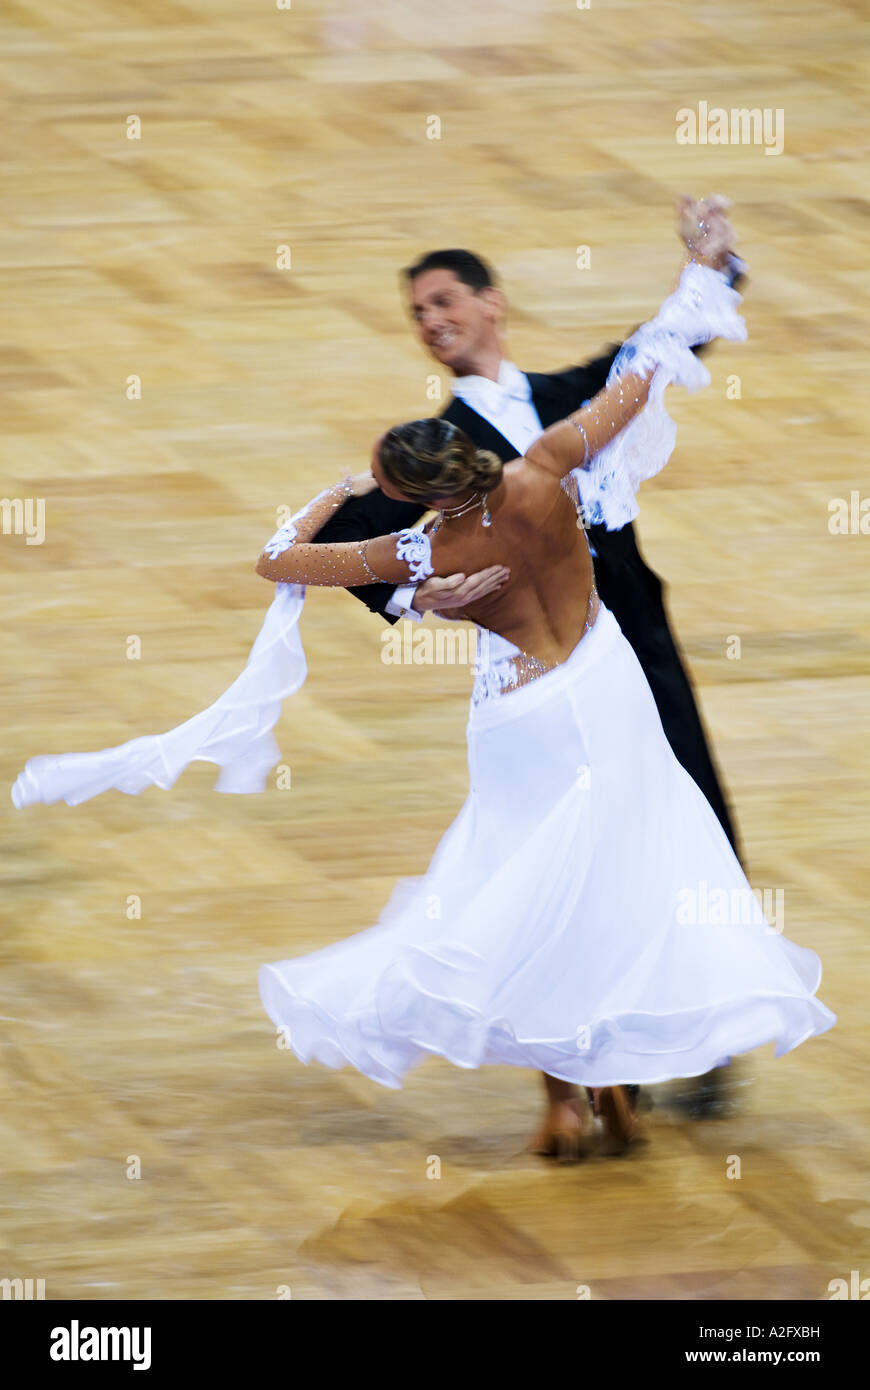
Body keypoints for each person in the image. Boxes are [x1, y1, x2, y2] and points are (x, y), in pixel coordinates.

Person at [255, 248, 835, 1157]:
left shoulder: (423, 550)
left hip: (525, 718)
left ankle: (572, 1096)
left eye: (443, 300)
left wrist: (354, 494)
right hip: (607, 686)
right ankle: (628, 1066)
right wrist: (694, 292)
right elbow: (641, 379)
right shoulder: (548, 463)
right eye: (418, 310)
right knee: (632, 861)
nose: (431, 319)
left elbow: (285, 558)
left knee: (530, 887)